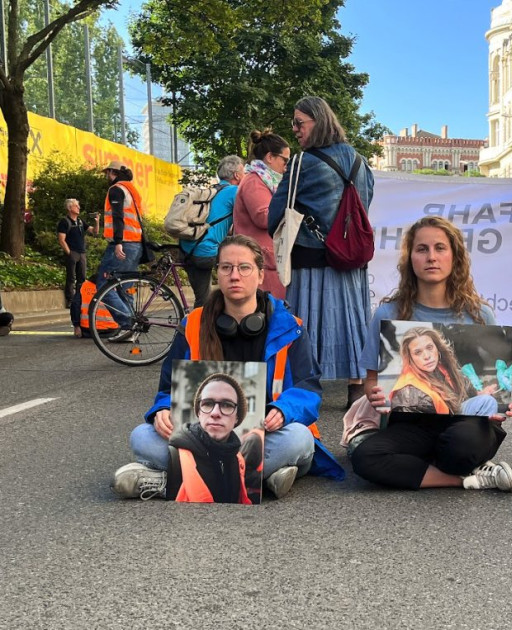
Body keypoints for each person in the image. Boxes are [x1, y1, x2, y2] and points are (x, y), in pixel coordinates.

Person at [110, 235, 344, 501]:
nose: (235, 275)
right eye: (226, 268)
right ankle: (259, 480)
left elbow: (309, 388)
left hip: (267, 436)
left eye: (244, 268)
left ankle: (167, 482)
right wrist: (162, 410)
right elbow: (169, 388)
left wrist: (284, 410)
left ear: (259, 276)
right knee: (141, 436)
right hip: (204, 437)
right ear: (218, 275)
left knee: (299, 438)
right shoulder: (193, 325)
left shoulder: (290, 326)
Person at [347, 216, 512, 492]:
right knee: (366, 458)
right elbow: (371, 381)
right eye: (422, 249)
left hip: (467, 423)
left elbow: (496, 392)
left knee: (462, 445)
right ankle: (466, 479)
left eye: (440, 248)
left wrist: (500, 406)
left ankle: (423, 467)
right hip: (412, 425)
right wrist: (375, 394)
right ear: (410, 258)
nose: (431, 257)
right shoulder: (388, 313)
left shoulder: (480, 314)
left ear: (455, 256)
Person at [268, 96, 374, 407]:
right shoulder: (361, 162)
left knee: (308, 323)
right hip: (352, 259)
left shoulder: (303, 163)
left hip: (312, 259)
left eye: (299, 123)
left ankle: (305, 387)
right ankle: (356, 387)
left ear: (319, 121)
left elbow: (274, 215)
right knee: (353, 321)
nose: (295, 130)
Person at [165, 373, 253, 504]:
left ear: (237, 417)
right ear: (199, 412)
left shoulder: (238, 460)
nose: (215, 413)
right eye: (207, 404)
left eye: (227, 405)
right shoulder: (173, 456)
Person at [389, 326, 499, 416]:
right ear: (410, 358)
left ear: (438, 348)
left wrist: (481, 395)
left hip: (454, 424)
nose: (427, 356)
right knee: (487, 403)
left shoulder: (444, 367)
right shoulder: (409, 393)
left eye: (430, 347)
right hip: (433, 435)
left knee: (486, 401)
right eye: (418, 352)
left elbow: (465, 396)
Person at [180, 155, 244, 308]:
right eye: (244, 171)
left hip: (186, 249)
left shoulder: (210, 191)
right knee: (241, 284)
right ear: (236, 175)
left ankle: (199, 326)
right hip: (206, 253)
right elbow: (245, 221)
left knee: (202, 300)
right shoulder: (235, 191)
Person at [233, 130, 289, 299]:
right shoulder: (254, 181)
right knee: (268, 317)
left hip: (265, 260)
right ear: (270, 157)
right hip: (261, 261)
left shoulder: (264, 180)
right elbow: (264, 217)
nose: (286, 167)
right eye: (284, 160)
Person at [95, 161, 144, 329]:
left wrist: (117, 242)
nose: (106, 177)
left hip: (123, 244)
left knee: (104, 286)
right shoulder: (132, 189)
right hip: (136, 244)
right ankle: (130, 330)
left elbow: (118, 216)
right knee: (126, 288)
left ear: (112, 172)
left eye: (106, 173)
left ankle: (128, 324)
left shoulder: (116, 189)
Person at [56, 198, 99, 309]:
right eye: (76, 206)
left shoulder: (80, 221)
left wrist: (97, 222)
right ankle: (70, 300)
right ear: (70, 208)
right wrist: (69, 253)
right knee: (71, 277)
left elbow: (94, 232)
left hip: (82, 253)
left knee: (82, 277)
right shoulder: (65, 222)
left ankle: (79, 298)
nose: (79, 207)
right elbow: (61, 239)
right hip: (73, 252)